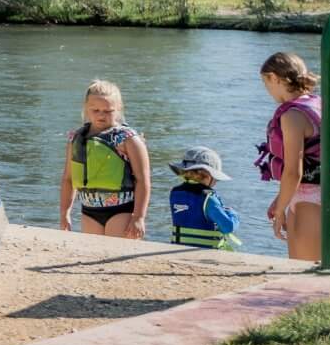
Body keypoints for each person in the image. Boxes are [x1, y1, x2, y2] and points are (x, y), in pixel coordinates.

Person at [256, 50, 330, 263]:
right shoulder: (317, 102)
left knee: (306, 275)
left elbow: (294, 170)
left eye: (266, 84)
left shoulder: (292, 115)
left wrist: (281, 211)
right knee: (300, 270)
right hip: (311, 195)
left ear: (274, 78)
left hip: (312, 199)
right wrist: (280, 200)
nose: (267, 90)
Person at [56, 79, 150, 240]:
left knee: (116, 255)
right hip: (89, 211)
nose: (101, 115)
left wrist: (139, 217)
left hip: (121, 209)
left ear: (118, 109)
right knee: (94, 255)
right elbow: (68, 179)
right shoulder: (76, 138)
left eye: (108, 111)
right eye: (96, 110)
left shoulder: (127, 139)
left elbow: (143, 180)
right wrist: (65, 213)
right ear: (86, 108)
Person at [164, 146, 241, 251]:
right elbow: (228, 227)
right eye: (216, 179)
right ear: (208, 176)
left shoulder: (175, 192)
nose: (216, 182)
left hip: (177, 249)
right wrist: (233, 214)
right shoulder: (208, 198)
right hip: (204, 252)